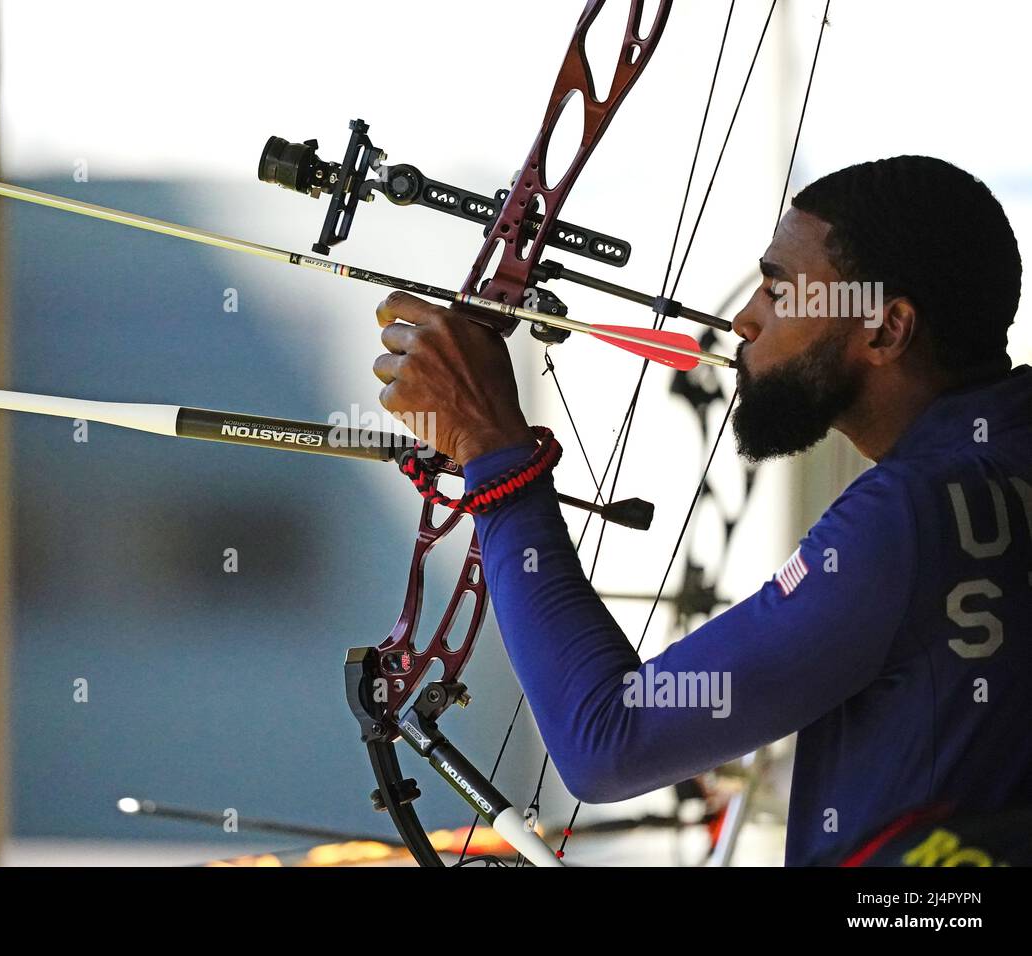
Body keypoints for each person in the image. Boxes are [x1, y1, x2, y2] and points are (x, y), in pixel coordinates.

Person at [372, 155, 1030, 865]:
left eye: (780, 290)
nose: (745, 318)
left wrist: (493, 448)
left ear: (885, 329)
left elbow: (606, 742)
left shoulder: (907, 516)